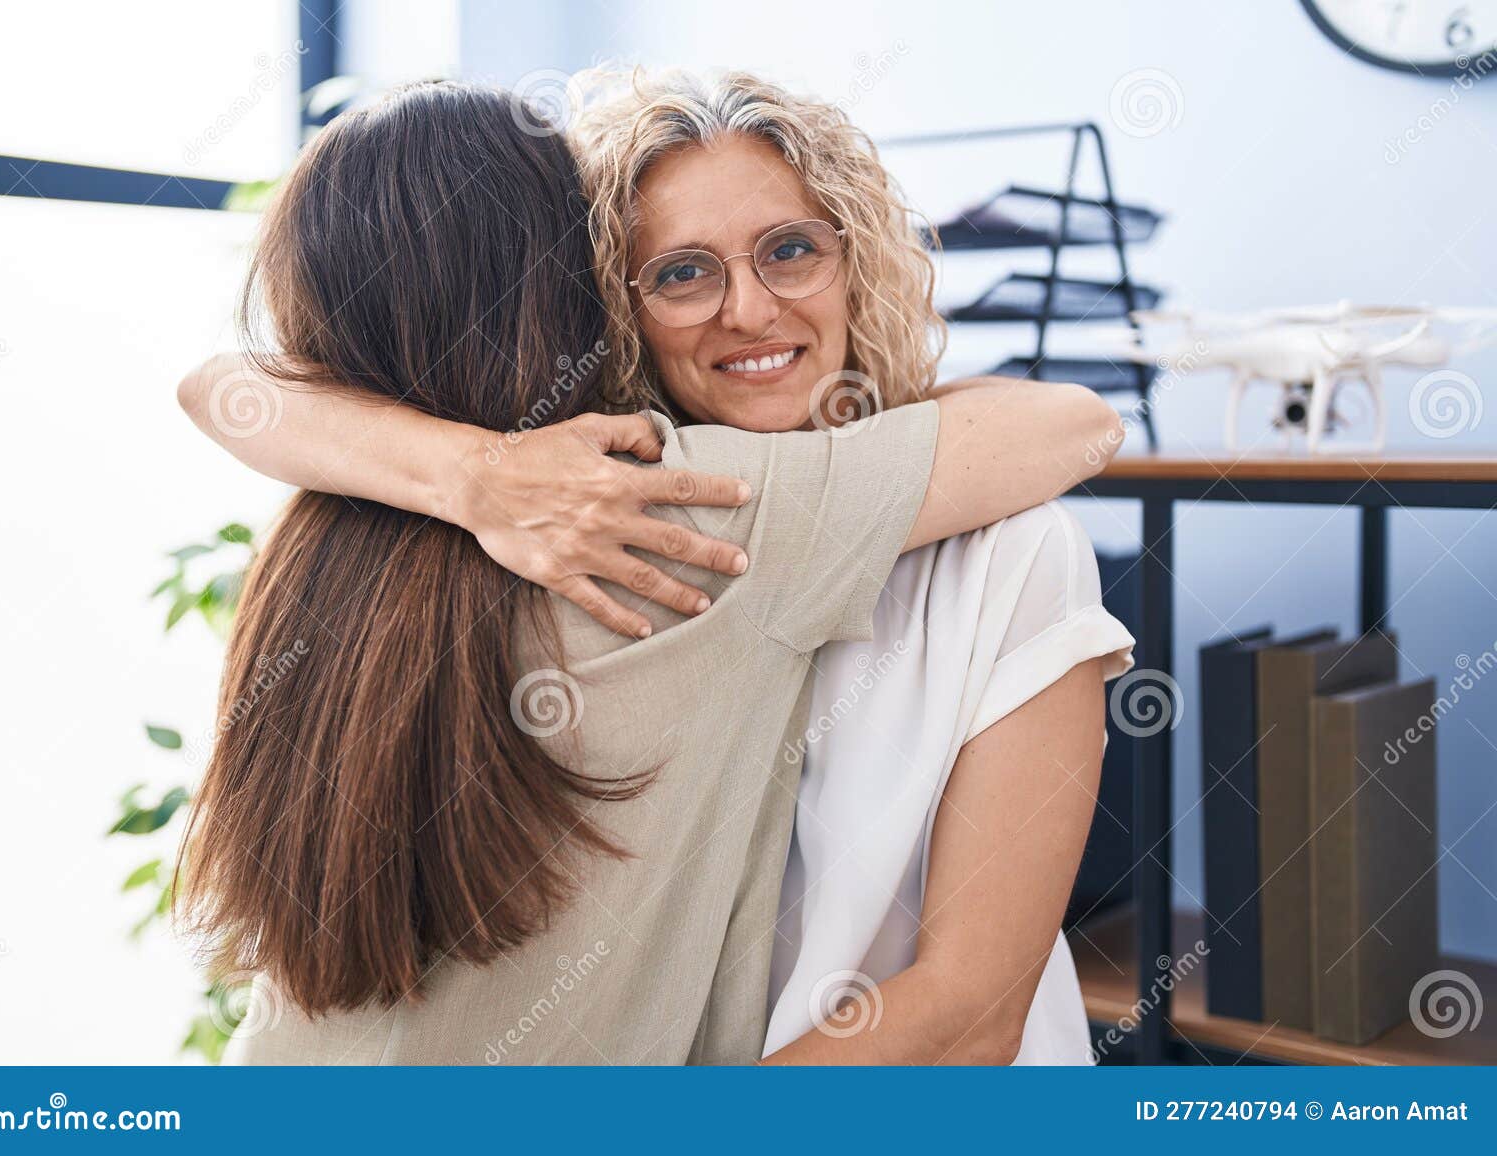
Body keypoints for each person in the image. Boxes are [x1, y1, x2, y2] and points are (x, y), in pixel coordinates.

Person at [179, 75, 1128, 1065]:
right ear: (590, 297)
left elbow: (216, 384)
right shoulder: (671, 504)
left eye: (791, 250)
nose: (750, 309)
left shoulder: (310, 544)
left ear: (860, 258)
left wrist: (473, 474)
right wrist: (480, 475)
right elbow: (1075, 421)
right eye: (680, 273)